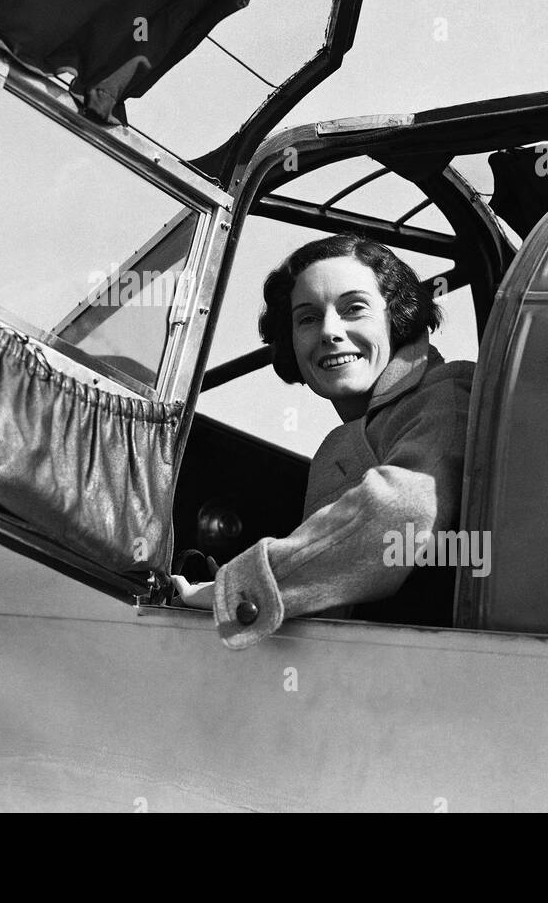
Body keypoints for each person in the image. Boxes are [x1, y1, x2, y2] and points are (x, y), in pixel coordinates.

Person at [172, 233, 475, 649]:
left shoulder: (448, 394)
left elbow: (399, 516)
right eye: (308, 318)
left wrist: (237, 591)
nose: (331, 331)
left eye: (354, 309)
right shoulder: (340, 442)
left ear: (397, 318)